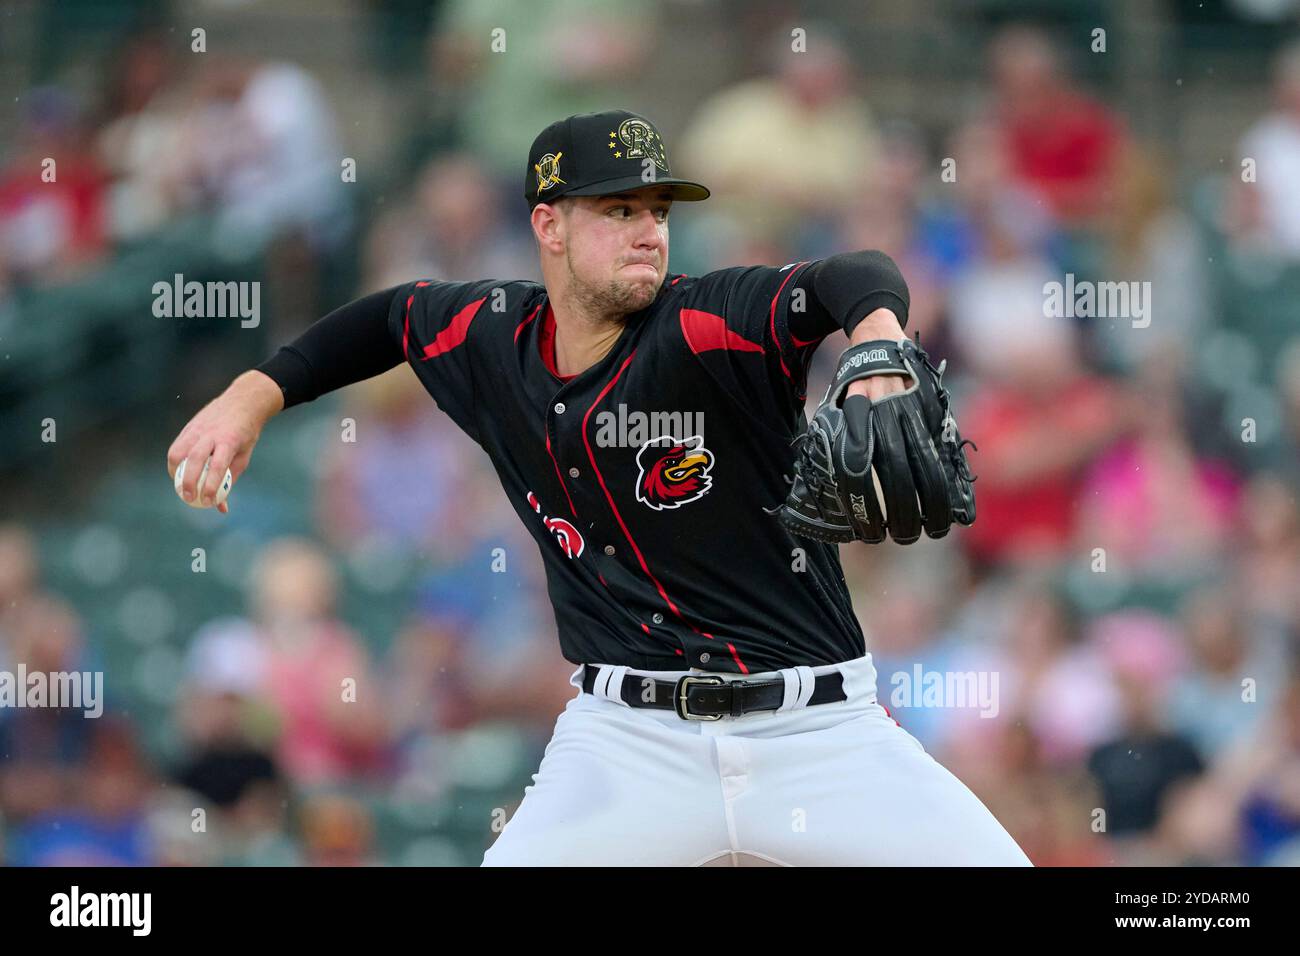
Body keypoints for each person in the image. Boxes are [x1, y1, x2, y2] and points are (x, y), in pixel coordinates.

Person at [167, 110, 1030, 866]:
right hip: (627, 743)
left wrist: (876, 341)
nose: (649, 230)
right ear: (548, 224)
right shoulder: (491, 334)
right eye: (619, 210)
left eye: (657, 211)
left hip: (817, 732)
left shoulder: (706, 322)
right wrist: (253, 396)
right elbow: (386, 320)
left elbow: (847, 274)